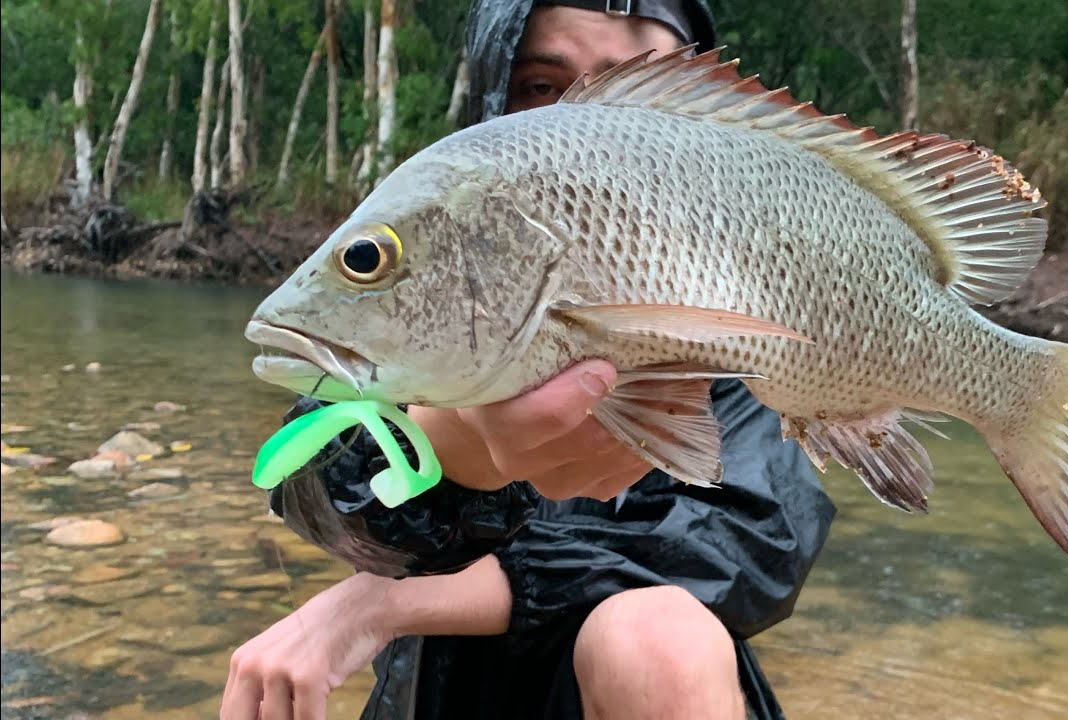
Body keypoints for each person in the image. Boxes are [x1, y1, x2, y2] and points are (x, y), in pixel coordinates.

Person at [220, 2, 836, 719]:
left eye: (640, 89)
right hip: (454, 691)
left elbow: (748, 551)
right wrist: (451, 454)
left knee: (657, 634)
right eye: (544, 88)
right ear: (492, 109)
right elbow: (316, 489)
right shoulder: (433, 274)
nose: (596, 129)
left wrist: (379, 605)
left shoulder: (758, 312)